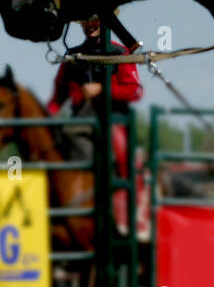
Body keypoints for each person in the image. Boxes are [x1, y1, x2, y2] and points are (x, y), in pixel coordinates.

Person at [46, 13, 143, 179]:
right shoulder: (72, 57)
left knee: (122, 153)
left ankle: (131, 192)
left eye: (95, 20)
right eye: (85, 21)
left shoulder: (121, 53)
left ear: (104, 22)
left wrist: (102, 90)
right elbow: (57, 99)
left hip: (113, 121)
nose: (90, 24)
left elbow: (135, 91)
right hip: (80, 122)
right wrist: (45, 122)